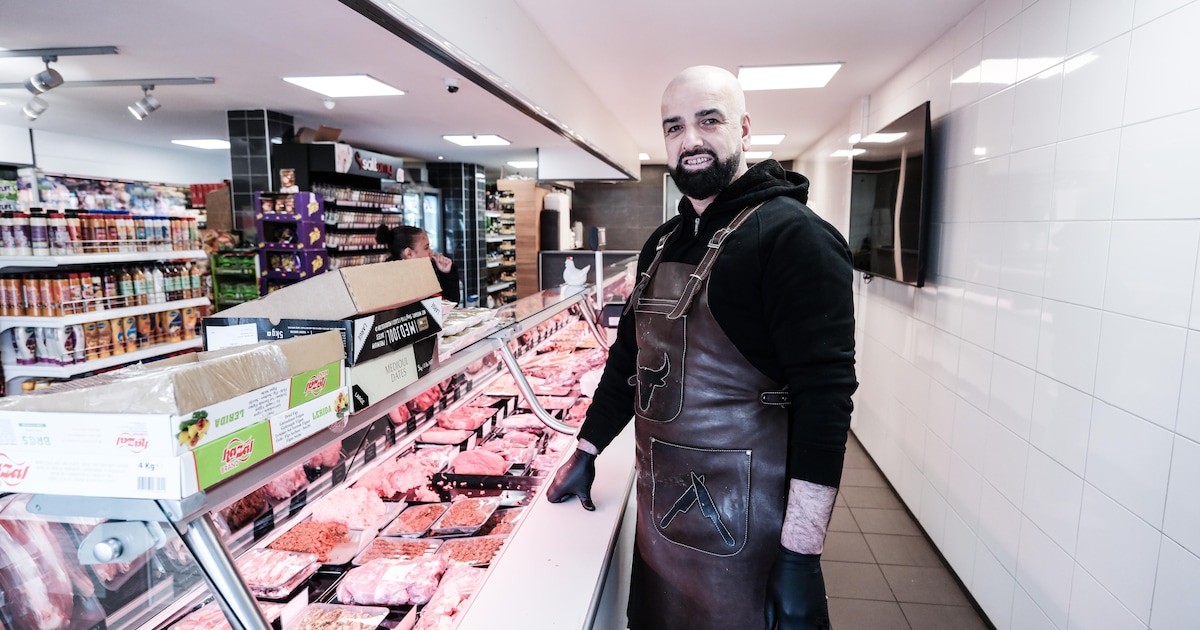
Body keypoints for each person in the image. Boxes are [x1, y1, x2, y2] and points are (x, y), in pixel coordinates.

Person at [546, 65, 857, 629]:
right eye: (674, 127)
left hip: (749, 535)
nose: (689, 140)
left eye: (707, 120)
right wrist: (587, 448)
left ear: (743, 128)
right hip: (662, 519)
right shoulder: (663, 241)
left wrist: (802, 555)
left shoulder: (794, 236)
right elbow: (629, 362)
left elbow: (826, 399)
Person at [375, 224, 461, 304]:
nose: (431, 252)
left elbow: (452, 303)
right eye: (426, 248)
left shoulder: (430, 268)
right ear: (409, 253)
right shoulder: (391, 282)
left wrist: (446, 273)